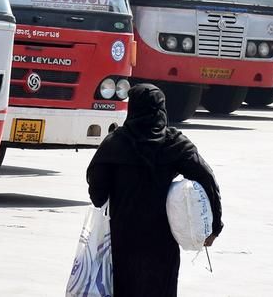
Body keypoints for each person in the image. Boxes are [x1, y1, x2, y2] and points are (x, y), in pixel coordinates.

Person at [87, 84, 224, 297]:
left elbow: (97, 193)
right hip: (162, 242)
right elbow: (207, 179)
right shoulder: (174, 143)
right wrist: (215, 227)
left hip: (123, 239)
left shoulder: (115, 143)